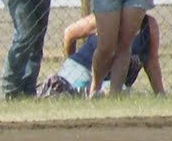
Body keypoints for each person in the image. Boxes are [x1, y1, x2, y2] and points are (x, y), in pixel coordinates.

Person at [36, 12, 165, 98]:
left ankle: (81, 94)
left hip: (110, 83)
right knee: (63, 91)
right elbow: (69, 33)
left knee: (118, 91)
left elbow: (151, 61)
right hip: (83, 67)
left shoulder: (149, 26)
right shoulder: (107, 16)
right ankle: (60, 87)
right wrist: (70, 62)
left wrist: (160, 95)